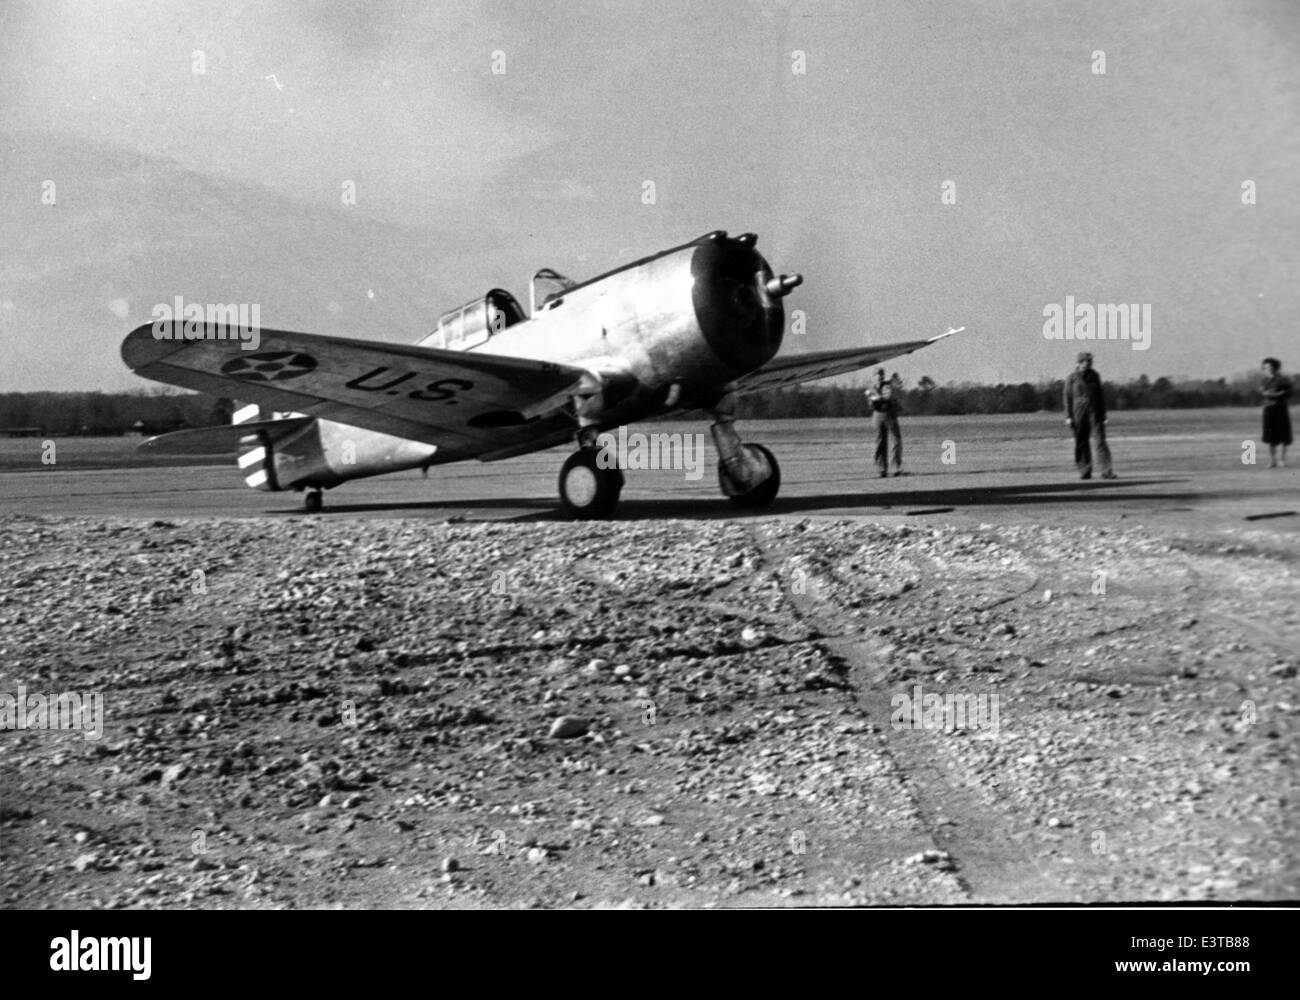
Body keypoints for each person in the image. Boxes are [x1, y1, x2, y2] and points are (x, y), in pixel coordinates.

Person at [1063, 352, 1116, 480]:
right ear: (1080, 362)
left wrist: (1103, 414)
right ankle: (1084, 470)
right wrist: (1068, 416)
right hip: (1078, 413)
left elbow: (1100, 396)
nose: (1090, 363)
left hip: (1095, 412)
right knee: (1081, 442)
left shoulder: (1095, 376)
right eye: (1087, 361)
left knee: (1100, 441)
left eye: (1090, 361)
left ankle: (1106, 470)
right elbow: (1067, 398)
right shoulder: (1071, 378)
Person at [866, 368, 903, 477]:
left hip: (890, 415)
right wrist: (875, 399)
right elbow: (871, 404)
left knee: (896, 441)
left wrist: (880, 398)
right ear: (874, 376)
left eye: (882, 374)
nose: (880, 376)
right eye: (878, 374)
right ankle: (882, 469)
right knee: (880, 443)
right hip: (878, 416)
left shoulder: (888, 385)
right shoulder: (871, 389)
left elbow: (889, 397)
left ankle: (896, 467)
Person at [1260, 357, 1292, 468]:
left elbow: (1287, 392)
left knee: (1284, 434)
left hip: (1280, 409)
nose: (1265, 369)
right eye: (1264, 367)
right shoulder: (1264, 380)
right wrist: (1270, 394)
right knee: (1270, 435)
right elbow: (1263, 392)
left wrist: (1275, 394)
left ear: (1274, 367)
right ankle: (1272, 460)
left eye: (1267, 366)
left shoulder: (1283, 380)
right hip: (1269, 409)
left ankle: (1282, 460)